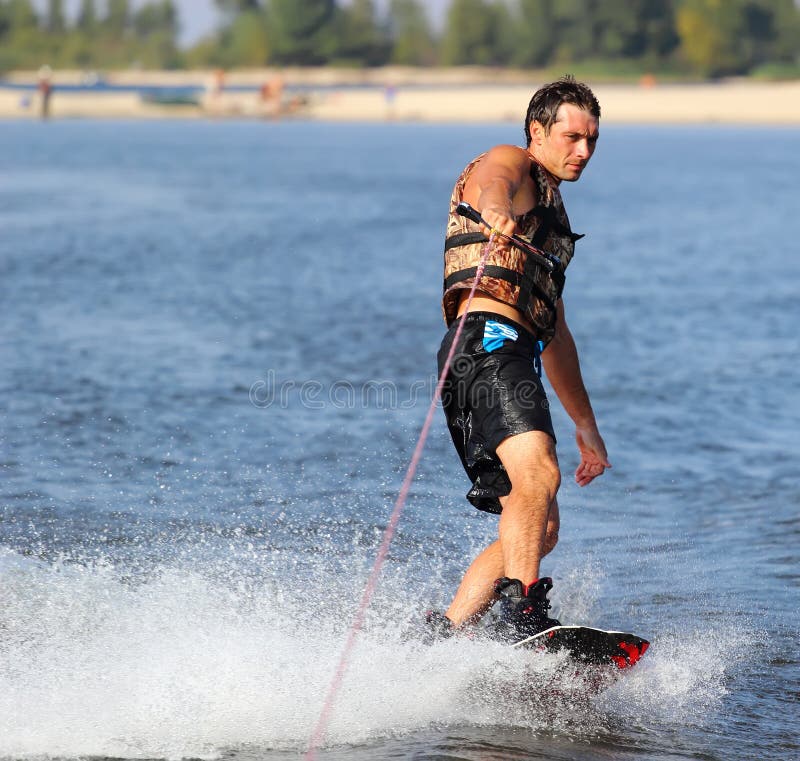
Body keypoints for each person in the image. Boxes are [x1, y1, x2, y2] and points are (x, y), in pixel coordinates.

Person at [430, 76, 610, 643]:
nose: (583, 151)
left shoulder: (552, 225)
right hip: (485, 342)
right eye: (572, 136)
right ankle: (524, 615)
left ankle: (442, 634)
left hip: (507, 355)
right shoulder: (515, 163)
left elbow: (556, 338)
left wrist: (588, 428)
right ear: (538, 132)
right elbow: (492, 180)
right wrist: (495, 209)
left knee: (540, 524)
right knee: (538, 475)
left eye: (593, 141)